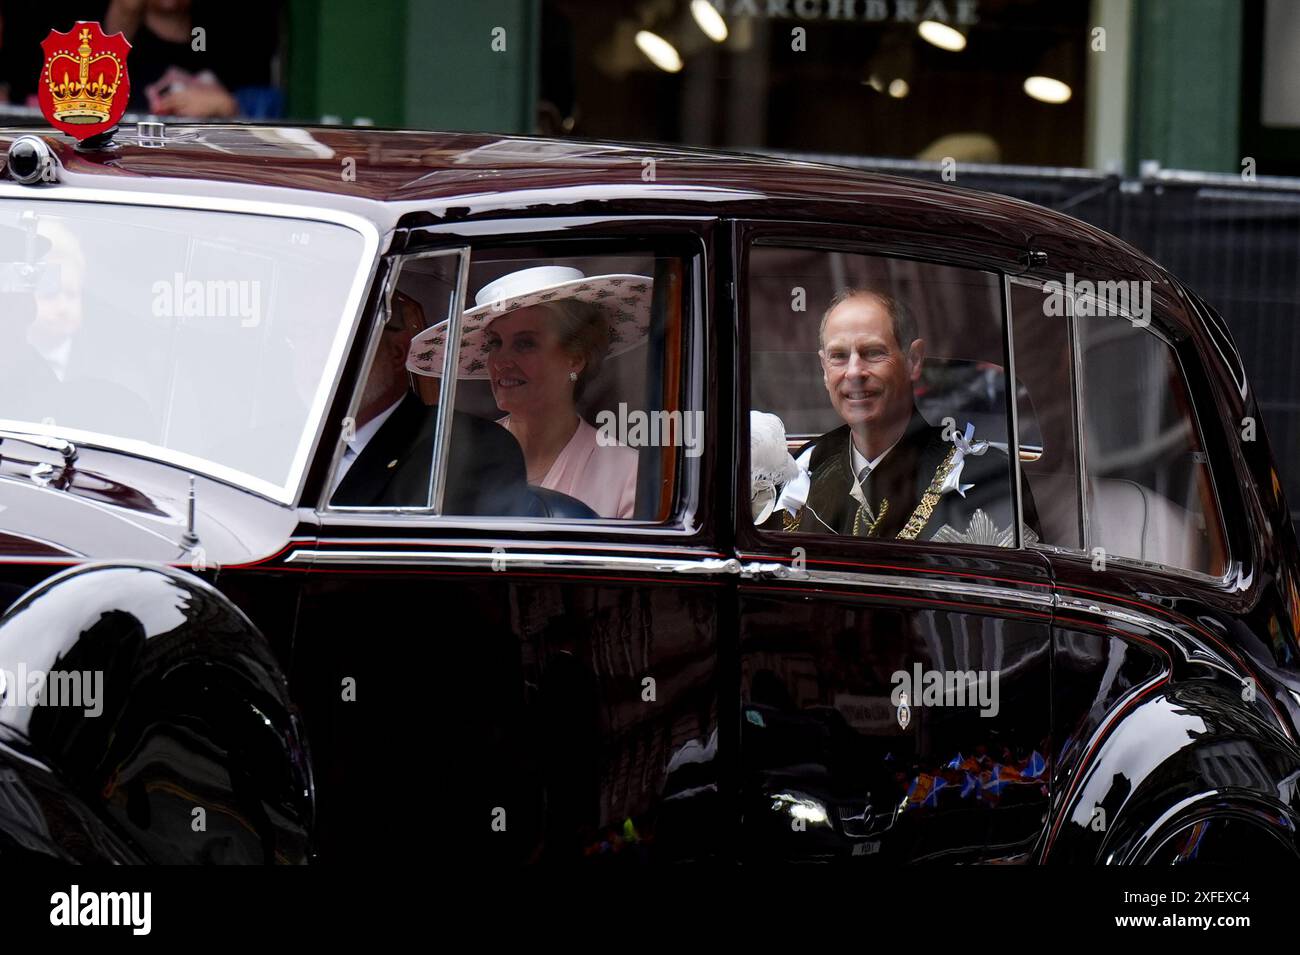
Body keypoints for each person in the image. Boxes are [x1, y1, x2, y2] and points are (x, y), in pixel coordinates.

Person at [768, 287, 1033, 545]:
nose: (854, 372)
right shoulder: (803, 469)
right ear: (824, 369)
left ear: (913, 360)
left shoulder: (987, 474)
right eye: (838, 356)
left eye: (873, 353)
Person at [406, 266, 648, 520]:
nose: (500, 361)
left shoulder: (627, 474)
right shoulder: (455, 460)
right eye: (495, 343)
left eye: (525, 343)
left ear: (576, 358)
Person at [329, 291, 536, 516]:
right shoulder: (302, 448)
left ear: (397, 352)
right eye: (306, 341)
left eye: (341, 342)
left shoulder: (469, 449)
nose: (320, 361)